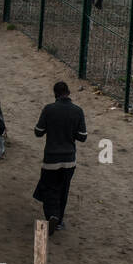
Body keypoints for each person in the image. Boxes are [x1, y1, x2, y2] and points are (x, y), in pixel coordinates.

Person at [32, 80, 87, 231]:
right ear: (68, 93)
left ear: (55, 95)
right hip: (69, 160)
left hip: (51, 159)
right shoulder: (78, 111)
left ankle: (51, 216)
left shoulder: (49, 109)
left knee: (48, 188)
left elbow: (38, 132)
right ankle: (59, 221)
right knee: (63, 189)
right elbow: (83, 136)